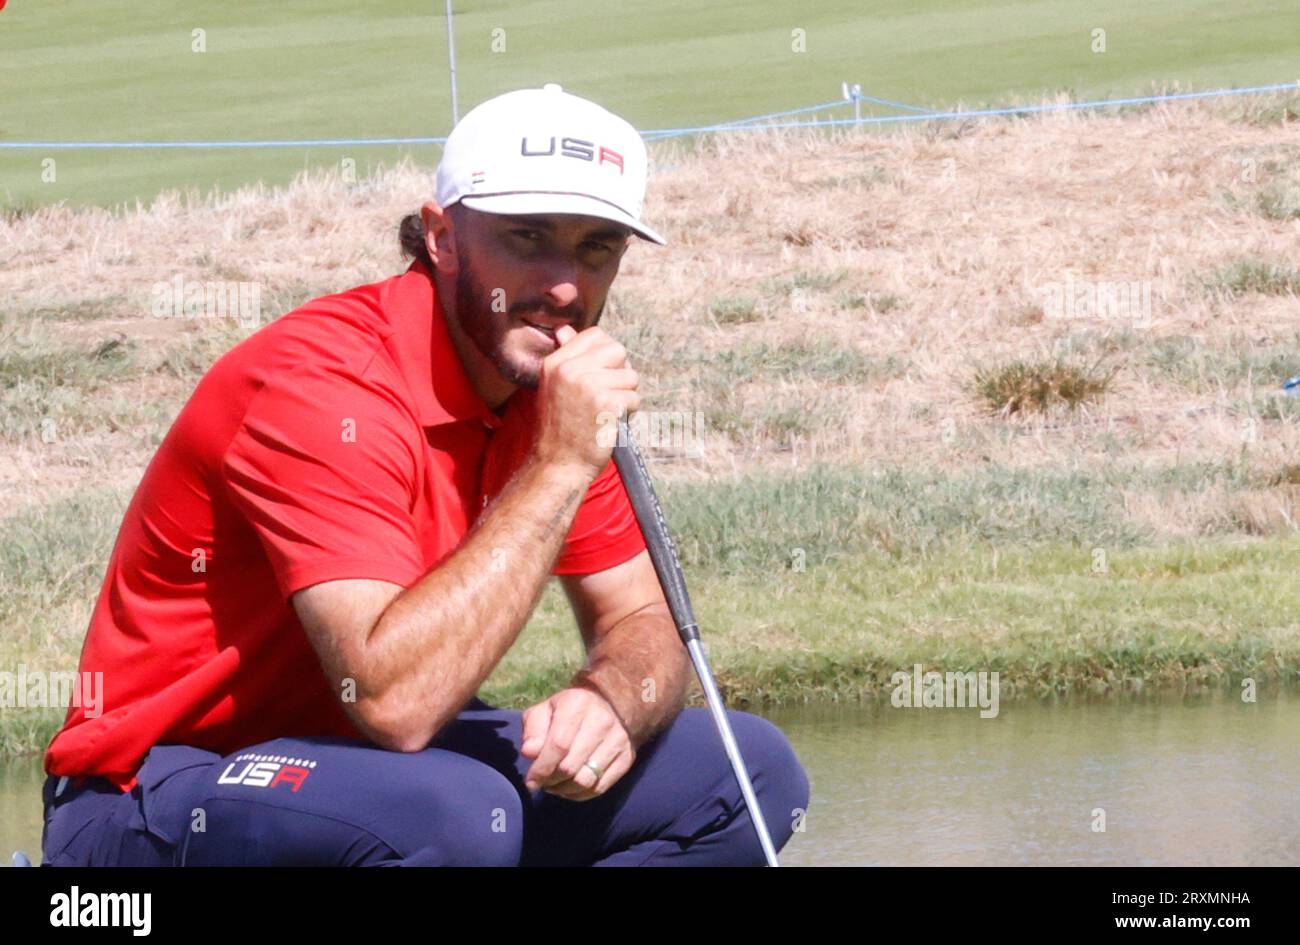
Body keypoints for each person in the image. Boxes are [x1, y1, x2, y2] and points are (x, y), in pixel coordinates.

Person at [40, 84, 809, 866]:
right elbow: (393, 701)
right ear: (441, 236)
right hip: (155, 795)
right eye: (527, 237)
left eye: (596, 248)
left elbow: (642, 621)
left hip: (377, 779)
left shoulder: (550, 388)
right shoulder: (325, 382)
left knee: (745, 770)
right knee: (457, 817)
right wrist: (561, 462)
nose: (565, 286)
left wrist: (611, 700)